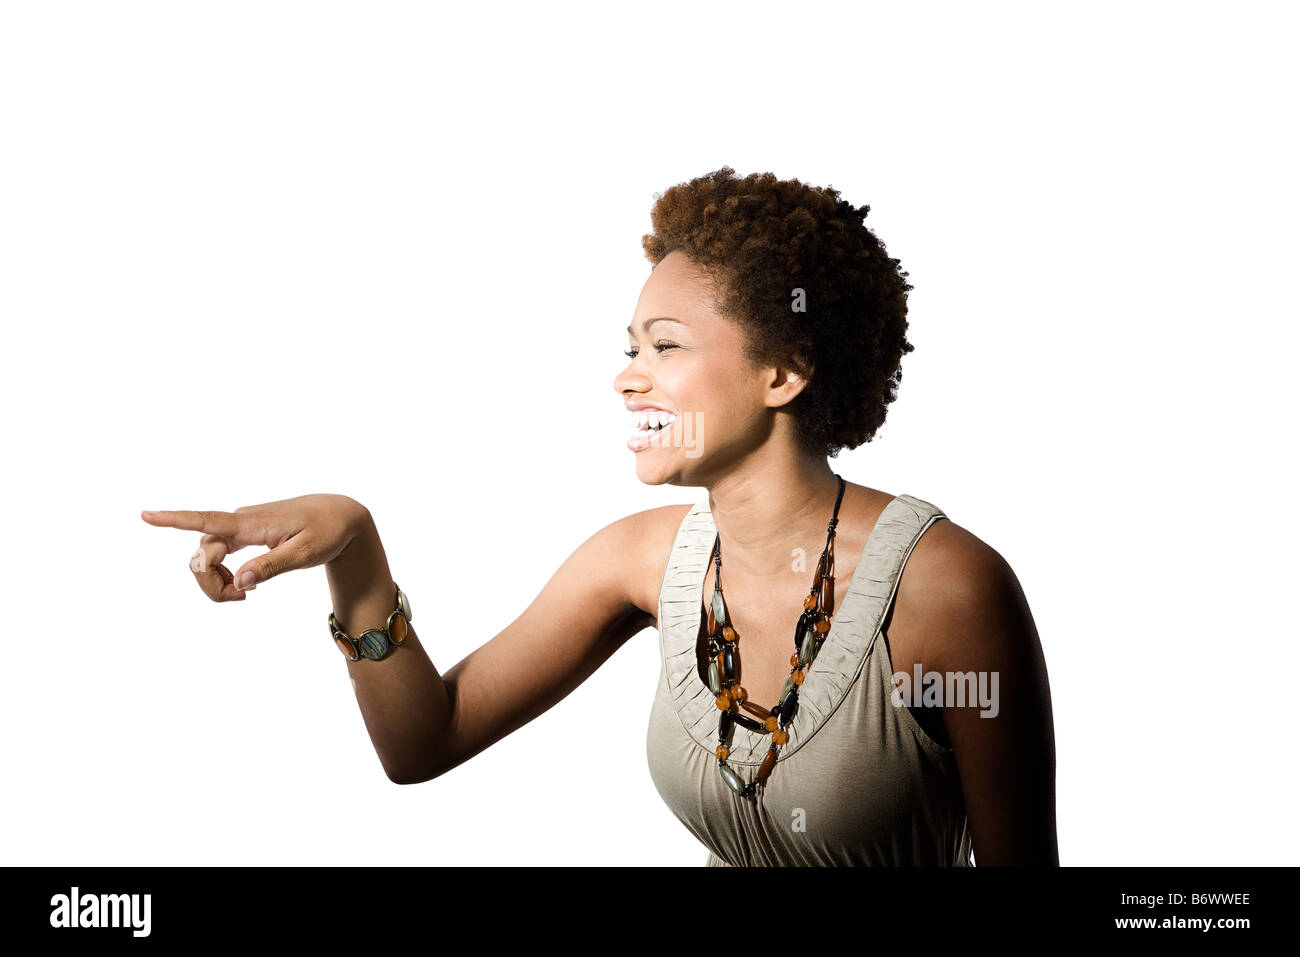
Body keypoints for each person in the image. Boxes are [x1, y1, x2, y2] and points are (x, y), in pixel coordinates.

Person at [141, 167, 1057, 866]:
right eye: (629, 348)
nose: (628, 375)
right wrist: (356, 546)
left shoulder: (947, 590)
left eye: (665, 346)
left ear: (784, 372)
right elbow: (424, 742)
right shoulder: (641, 563)